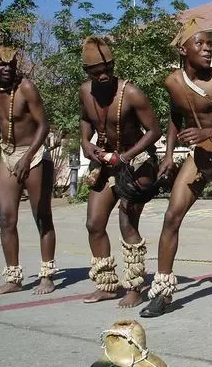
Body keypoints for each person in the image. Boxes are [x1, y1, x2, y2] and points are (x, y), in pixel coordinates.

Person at [140, 19, 212, 318]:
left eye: (209, 45)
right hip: (198, 156)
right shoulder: (172, 82)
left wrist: (209, 133)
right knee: (171, 217)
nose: (207, 49)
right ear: (183, 50)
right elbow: (176, 117)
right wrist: (167, 154)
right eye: (200, 44)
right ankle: (162, 292)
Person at [79, 37, 162, 307]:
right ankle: (106, 284)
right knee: (94, 223)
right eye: (97, 71)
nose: (104, 75)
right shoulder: (85, 92)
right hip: (105, 160)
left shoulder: (132, 93)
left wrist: (125, 156)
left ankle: (135, 287)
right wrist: (85, 141)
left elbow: (154, 130)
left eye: (108, 69)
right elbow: (85, 119)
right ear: (86, 71)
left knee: (127, 223)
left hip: (134, 161)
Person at [0, 44, 57, 295]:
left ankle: (47, 275)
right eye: (1, 65)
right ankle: (13, 277)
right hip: (7, 154)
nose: (6, 70)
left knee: (41, 215)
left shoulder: (26, 88)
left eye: (11, 65)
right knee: (6, 218)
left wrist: (28, 157)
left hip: (32, 155)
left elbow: (43, 126)